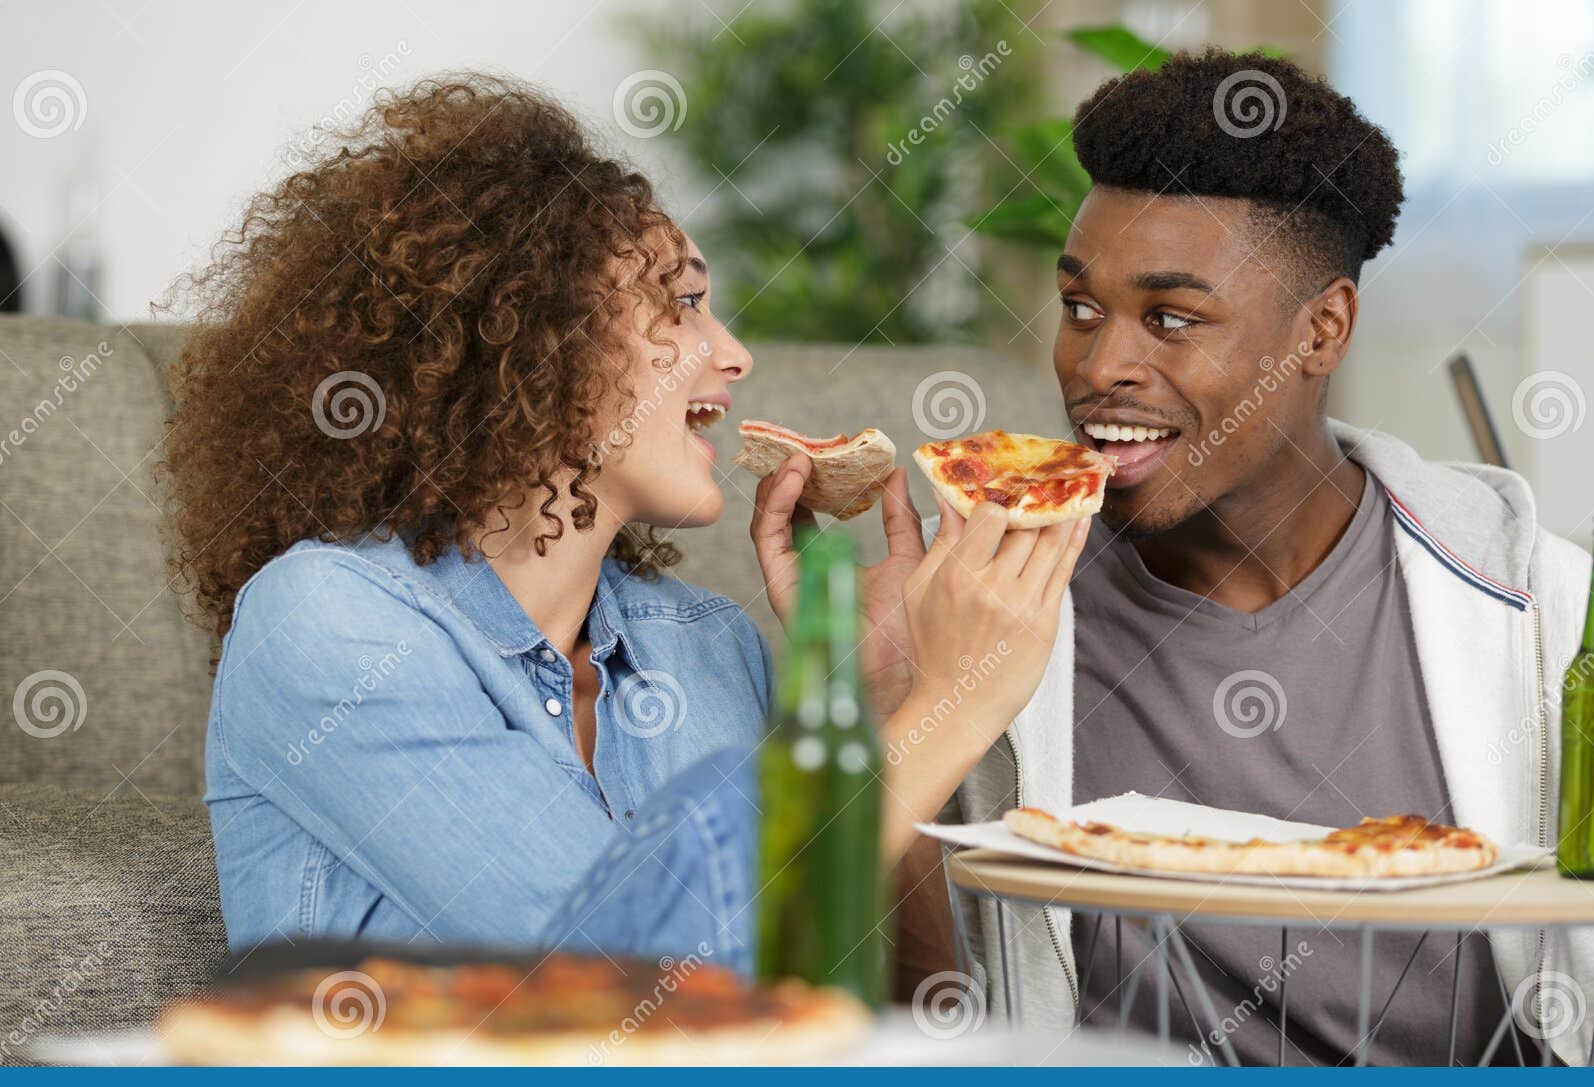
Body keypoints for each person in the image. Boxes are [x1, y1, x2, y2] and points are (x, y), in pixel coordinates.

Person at [754, 51, 1594, 1064]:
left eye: (1169, 319)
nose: (1100, 366)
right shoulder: (980, 601)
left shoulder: (1534, 610)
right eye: (1078, 308)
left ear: (1320, 329)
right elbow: (936, 1031)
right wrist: (889, 700)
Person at [162, 74, 1086, 974]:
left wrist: (874, 695)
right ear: (526, 332)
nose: (733, 353)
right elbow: (625, 976)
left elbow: (894, 1003)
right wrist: (954, 705)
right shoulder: (323, 621)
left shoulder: (708, 647)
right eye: (683, 304)